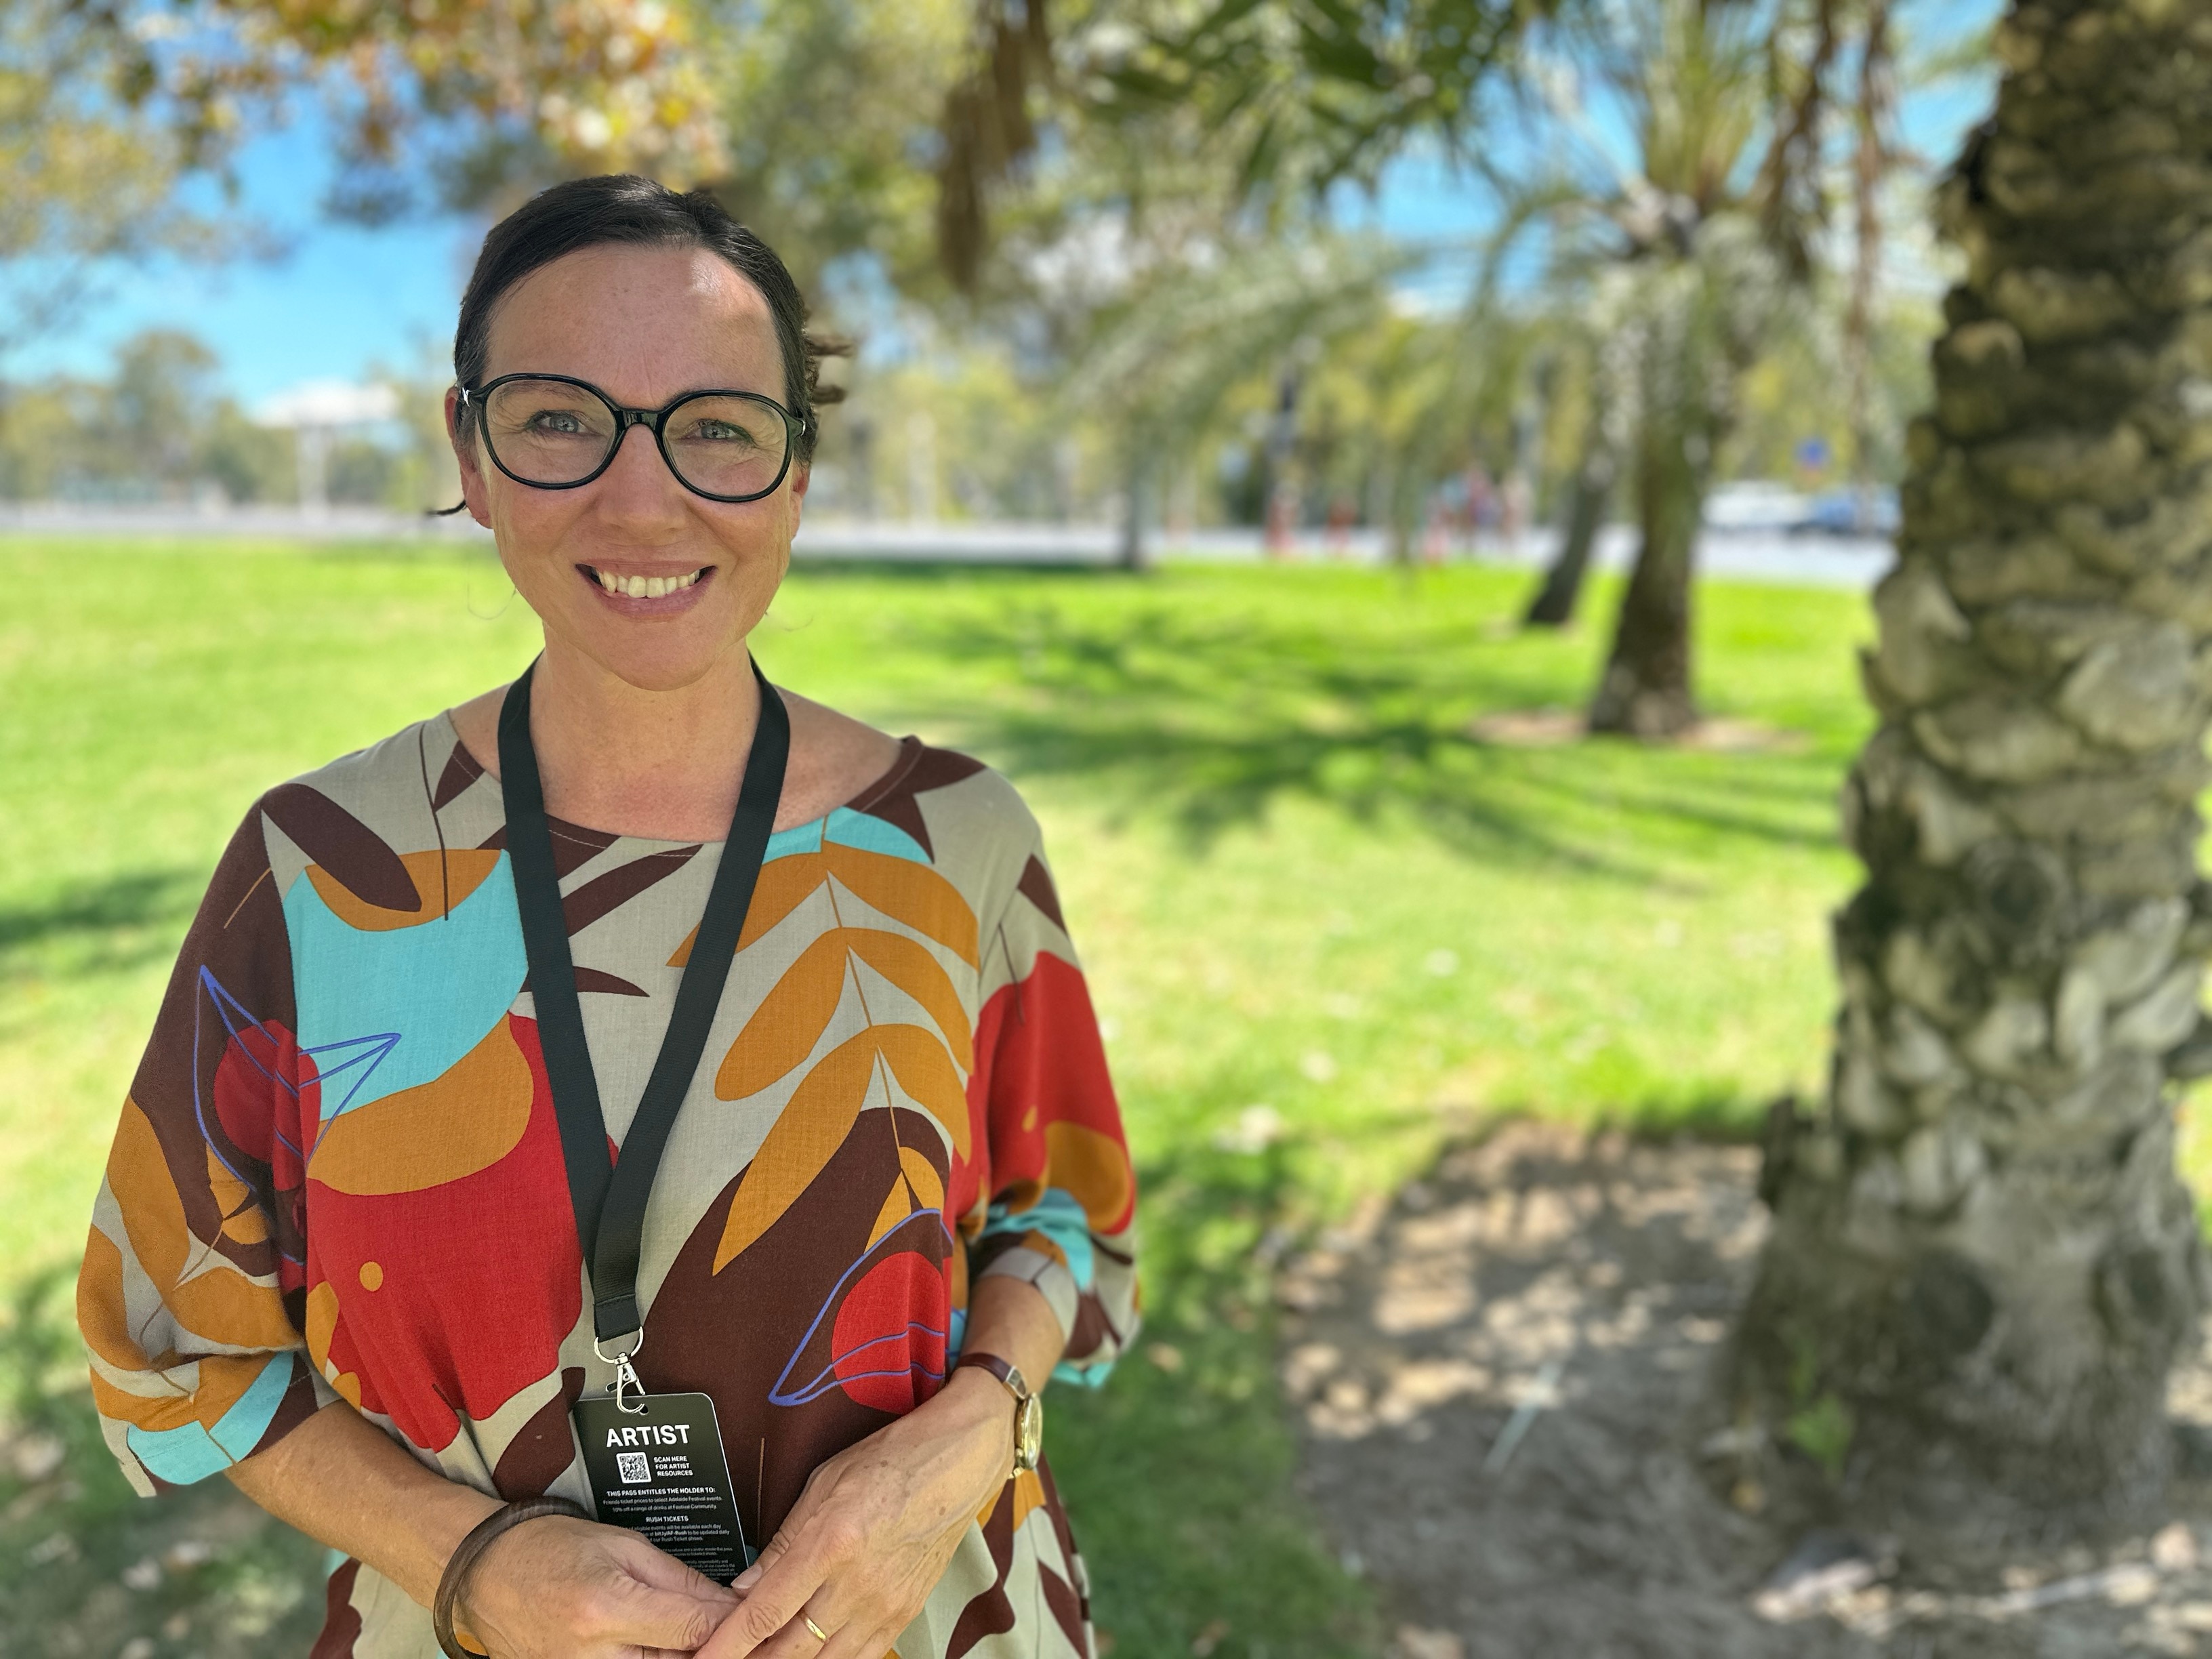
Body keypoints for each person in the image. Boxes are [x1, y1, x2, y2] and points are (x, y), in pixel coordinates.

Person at [76, 175, 1139, 1659]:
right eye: (562, 416)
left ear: (796, 471)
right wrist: (469, 1561)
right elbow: (181, 1350)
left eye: (716, 425)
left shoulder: (955, 842)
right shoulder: (318, 870)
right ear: (472, 448)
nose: (644, 499)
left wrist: (970, 1433)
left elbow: (1060, 1215)